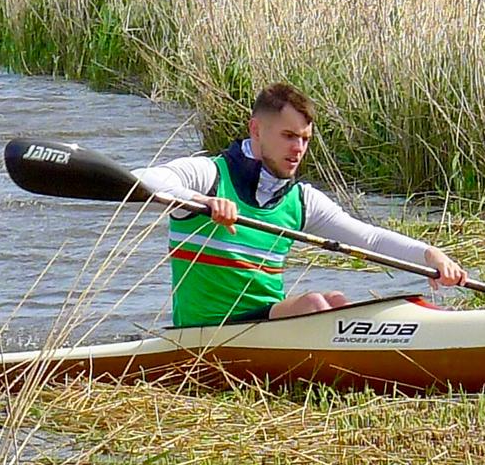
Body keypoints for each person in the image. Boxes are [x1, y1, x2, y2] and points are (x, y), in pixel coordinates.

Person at [133, 82, 467, 328]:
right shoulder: (209, 175)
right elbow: (140, 179)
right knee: (315, 305)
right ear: (256, 130)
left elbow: (370, 239)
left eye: (305, 139)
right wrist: (202, 201)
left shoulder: (300, 200)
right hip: (203, 330)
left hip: (263, 322)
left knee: (336, 302)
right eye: (288, 136)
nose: (298, 149)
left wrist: (430, 255)